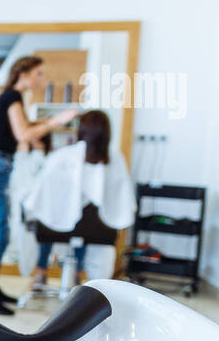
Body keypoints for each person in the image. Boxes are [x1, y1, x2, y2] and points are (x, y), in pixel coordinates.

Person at [0, 55, 78, 315]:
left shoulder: (10, 97)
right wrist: (57, 121)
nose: (41, 79)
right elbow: (23, 135)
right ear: (24, 74)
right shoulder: (12, 97)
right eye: (39, 74)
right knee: (0, 234)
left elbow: (21, 129)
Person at [23, 109, 135, 287]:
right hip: (98, 230)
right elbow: (124, 200)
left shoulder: (63, 156)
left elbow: (40, 195)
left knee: (52, 213)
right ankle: (77, 274)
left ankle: (41, 271)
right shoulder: (116, 159)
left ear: (81, 130)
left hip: (56, 229)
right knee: (85, 221)